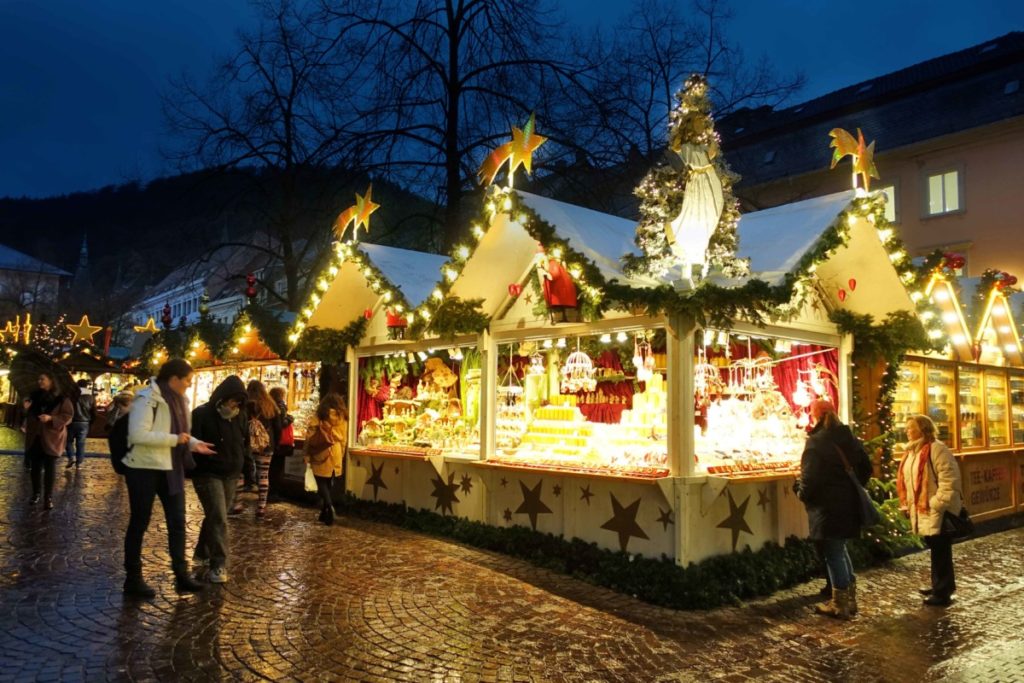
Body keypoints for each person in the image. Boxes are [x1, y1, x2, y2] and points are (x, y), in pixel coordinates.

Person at [122, 359, 215, 598]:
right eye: (187, 380)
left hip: (171, 468)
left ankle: (181, 574)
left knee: (177, 522)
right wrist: (176, 440)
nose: (189, 385)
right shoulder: (147, 399)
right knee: (139, 523)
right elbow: (137, 434)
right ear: (174, 379)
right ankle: (133, 578)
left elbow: (183, 433)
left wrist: (194, 443)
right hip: (144, 468)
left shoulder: (181, 400)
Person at [796, 400, 872, 619]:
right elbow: (866, 468)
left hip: (828, 508)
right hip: (848, 504)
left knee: (833, 553)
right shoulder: (849, 438)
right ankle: (849, 599)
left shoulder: (816, 443)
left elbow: (810, 481)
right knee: (840, 549)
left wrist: (800, 491)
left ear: (816, 416)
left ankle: (839, 604)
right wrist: (849, 487)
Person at [897, 414, 963, 607]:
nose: (907, 431)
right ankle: (939, 584)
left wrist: (937, 503)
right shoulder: (912, 451)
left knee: (941, 549)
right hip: (923, 509)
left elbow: (949, 479)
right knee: (935, 548)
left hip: (936, 509)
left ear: (923, 429)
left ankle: (943, 591)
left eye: (911, 427)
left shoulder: (937, 449)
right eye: (907, 428)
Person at [190, 376, 248, 584]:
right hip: (208, 472)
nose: (235, 406)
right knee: (219, 517)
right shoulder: (202, 414)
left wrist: (246, 468)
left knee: (215, 514)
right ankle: (219, 564)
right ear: (222, 398)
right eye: (233, 401)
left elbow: (244, 442)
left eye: (239, 403)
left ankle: (202, 552)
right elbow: (192, 441)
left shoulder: (240, 417)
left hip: (231, 472)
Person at [23, 372, 74, 510]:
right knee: (35, 467)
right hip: (35, 436)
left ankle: (48, 497)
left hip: (52, 437)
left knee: (50, 467)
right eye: (38, 378)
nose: (39, 381)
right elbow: (31, 416)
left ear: (51, 380)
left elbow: (68, 416)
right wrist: (27, 409)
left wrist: (51, 418)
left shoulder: (62, 399)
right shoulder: (34, 396)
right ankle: (36, 494)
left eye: (43, 379)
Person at [304, 393, 347, 526]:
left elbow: (310, 436)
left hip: (321, 450)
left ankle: (329, 507)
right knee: (328, 481)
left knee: (320, 480)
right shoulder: (342, 417)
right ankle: (324, 513)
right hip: (336, 450)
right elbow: (344, 439)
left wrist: (306, 453)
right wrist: (342, 454)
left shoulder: (320, 416)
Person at [245, 380, 283, 519]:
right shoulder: (270, 405)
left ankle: (235, 503)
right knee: (263, 474)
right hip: (266, 445)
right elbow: (278, 427)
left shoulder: (245, 404)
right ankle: (261, 507)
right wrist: (276, 443)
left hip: (247, 444)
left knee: (241, 473)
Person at [268, 386, 294, 497]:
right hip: (279, 442)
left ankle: (270, 491)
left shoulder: (268, 405)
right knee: (277, 468)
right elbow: (281, 424)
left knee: (271, 468)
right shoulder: (280, 405)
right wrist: (290, 418)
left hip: (271, 441)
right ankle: (274, 492)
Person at [65, 378, 97, 469]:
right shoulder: (91, 397)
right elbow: (94, 412)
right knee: (81, 443)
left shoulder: (71, 396)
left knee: (68, 441)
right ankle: (79, 463)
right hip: (84, 423)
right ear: (86, 386)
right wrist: (92, 422)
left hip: (71, 421)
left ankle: (71, 457)